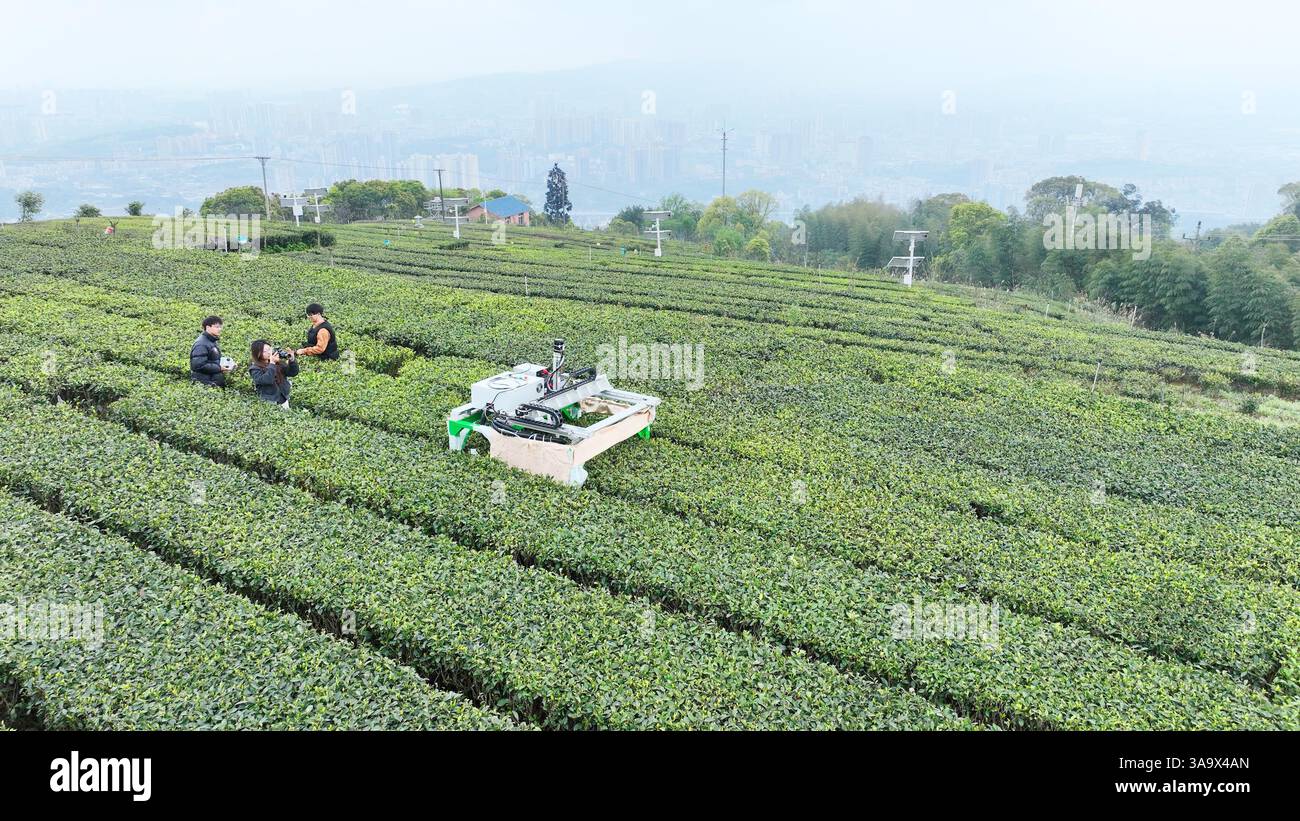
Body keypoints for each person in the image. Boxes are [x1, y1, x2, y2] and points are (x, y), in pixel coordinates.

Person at [248, 341, 299, 409]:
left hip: (283, 397)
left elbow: (292, 373)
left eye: (269, 349)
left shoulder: (277, 362)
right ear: (258, 354)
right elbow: (267, 380)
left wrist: (292, 360)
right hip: (269, 401)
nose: (269, 352)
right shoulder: (254, 368)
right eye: (264, 351)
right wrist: (272, 364)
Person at [190, 316, 233, 387]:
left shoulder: (211, 341)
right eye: (217, 327)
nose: (219, 329)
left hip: (213, 382)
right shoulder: (201, 344)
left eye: (220, 327)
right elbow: (198, 365)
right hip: (206, 384)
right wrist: (219, 368)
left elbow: (213, 360)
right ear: (208, 327)